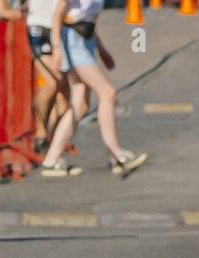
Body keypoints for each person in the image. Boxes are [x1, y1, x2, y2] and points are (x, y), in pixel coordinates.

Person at [38, 0, 146, 177]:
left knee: (79, 105)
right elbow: (58, 15)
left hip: (85, 40)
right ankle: (116, 154)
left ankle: (51, 160)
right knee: (107, 93)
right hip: (71, 41)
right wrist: (57, 49)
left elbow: (90, 19)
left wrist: (102, 50)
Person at [0, 0, 69, 155]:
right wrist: (7, 12)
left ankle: (50, 142)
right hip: (39, 28)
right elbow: (3, 10)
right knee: (52, 83)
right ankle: (41, 132)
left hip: (62, 29)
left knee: (65, 103)